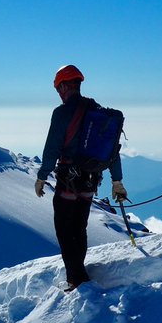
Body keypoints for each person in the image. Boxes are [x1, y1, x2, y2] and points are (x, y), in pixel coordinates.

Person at [34, 64, 128, 290]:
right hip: (89, 182)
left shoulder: (61, 113)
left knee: (65, 231)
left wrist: (41, 176)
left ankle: (76, 280)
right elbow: (111, 150)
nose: (58, 92)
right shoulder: (96, 110)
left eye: (58, 88)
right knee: (79, 228)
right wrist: (117, 181)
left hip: (68, 181)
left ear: (65, 85)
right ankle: (79, 274)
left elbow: (52, 148)